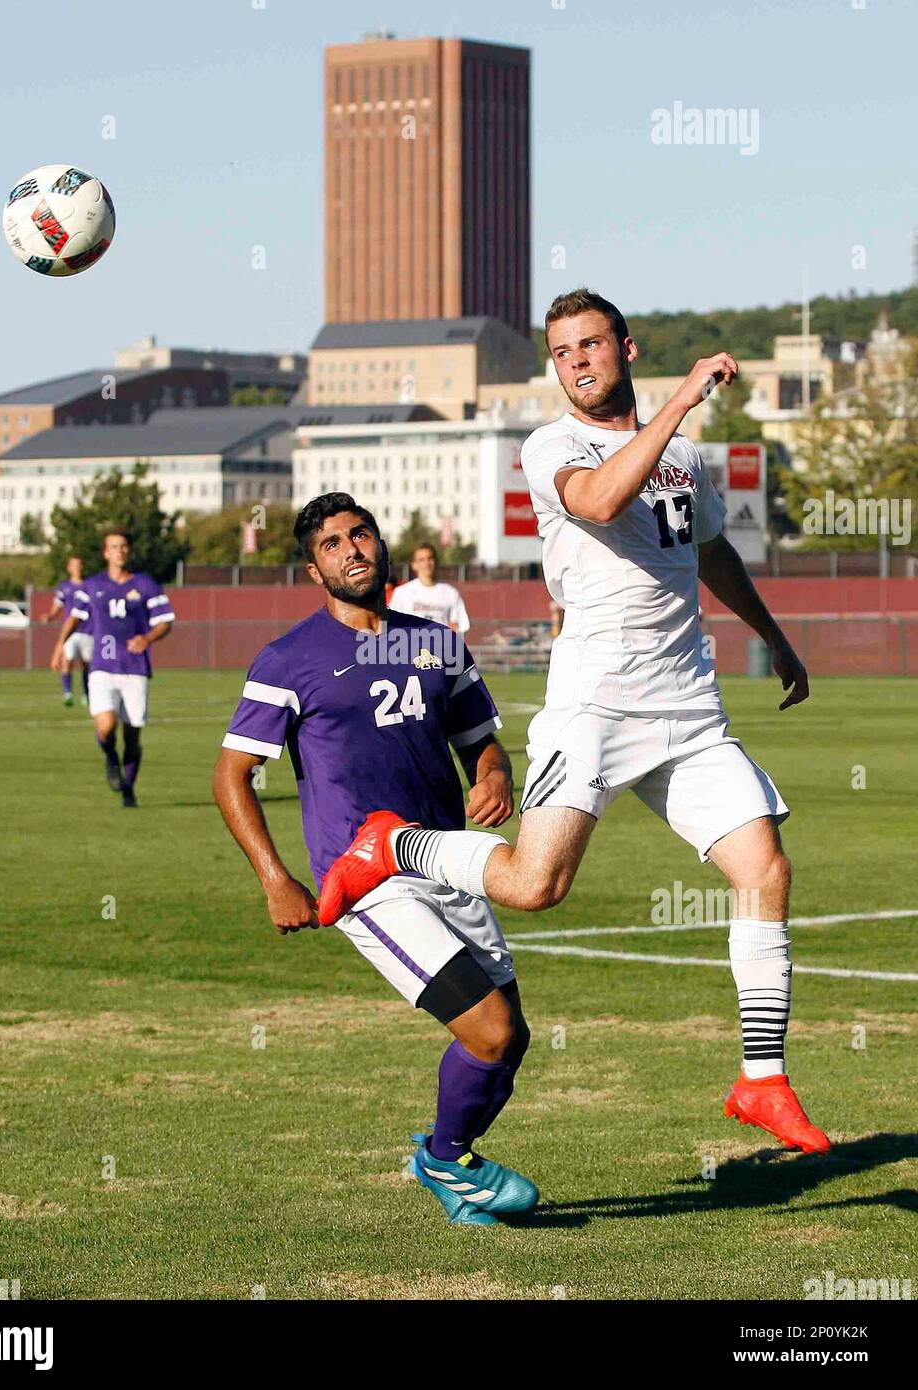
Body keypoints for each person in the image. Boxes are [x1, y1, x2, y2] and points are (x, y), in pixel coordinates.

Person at [318, 288, 829, 1156]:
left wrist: (774, 638)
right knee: (534, 886)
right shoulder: (553, 443)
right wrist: (677, 401)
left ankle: (761, 1078)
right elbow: (595, 501)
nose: (577, 362)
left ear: (626, 348)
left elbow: (711, 551)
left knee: (765, 866)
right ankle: (391, 846)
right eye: (562, 353)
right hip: (593, 707)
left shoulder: (684, 458)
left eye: (590, 345)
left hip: (689, 708)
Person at [212, 493, 538, 1226]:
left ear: (382, 545)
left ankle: (446, 1161)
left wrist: (493, 777)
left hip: (446, 860)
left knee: (510, 1040)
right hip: (366, 877)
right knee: (487, 1030)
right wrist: (276, 878)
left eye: (360, 535)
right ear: (313, 568)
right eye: (332, 544)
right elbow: (230, 775)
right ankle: (448, 1161)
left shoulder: (437, 643)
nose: (351, 549)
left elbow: (481, 741)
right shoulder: (288, 658)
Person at [49, 530, 175, 808]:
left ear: (128, 551)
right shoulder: (93, 586)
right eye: (114, 547)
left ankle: (129, 788)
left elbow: (165, 620)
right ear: (106, 553)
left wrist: (148, 638)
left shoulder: (145, 584)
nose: (119, 551)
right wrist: (60, 646)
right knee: (106, 727)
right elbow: (75, 617)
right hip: (102, 667)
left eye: (123, 546)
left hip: (134, 669)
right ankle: (110, 759)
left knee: (132, 737)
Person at [42, 555, 92, 706]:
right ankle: (68, 694)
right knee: (67, 661)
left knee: (87, 664)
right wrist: (50, 616)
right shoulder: (65, 587)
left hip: (88, 630)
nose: (77, 567)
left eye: (79, 564)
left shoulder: (90, 586)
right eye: (74, 565)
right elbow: (58, 605)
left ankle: (86, 694)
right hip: (70, 631)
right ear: (69, 568)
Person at [389, 543, 471, 632]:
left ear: (436, 561)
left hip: (441, 644)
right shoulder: (402, 592)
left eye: (430, 558)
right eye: (421, 560)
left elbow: (462, 624)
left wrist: (456, 629)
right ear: (413, 564)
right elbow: (391, 624)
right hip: (411, 644)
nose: (427, 563)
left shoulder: (450, 592)